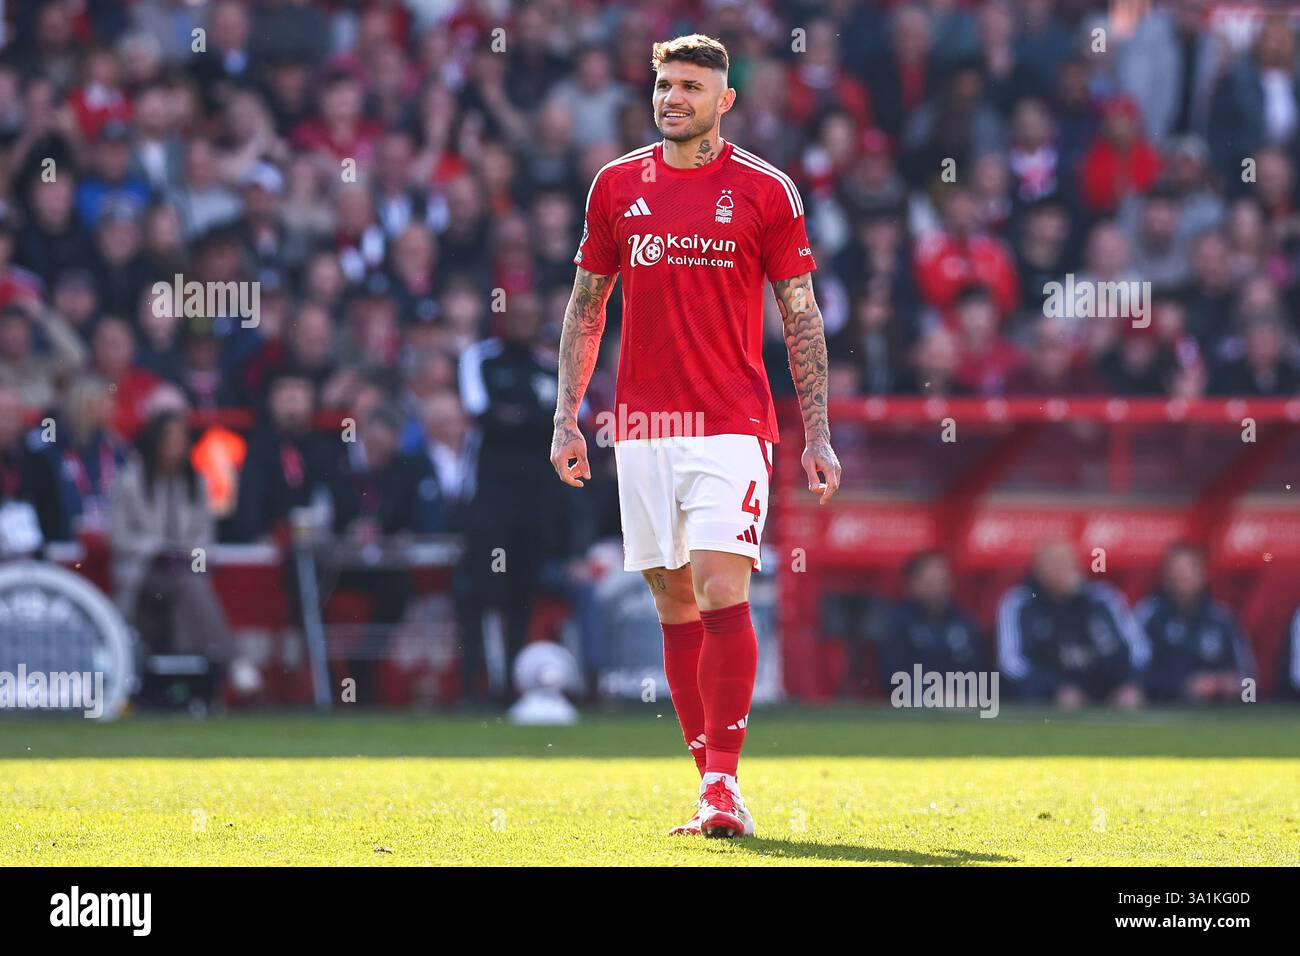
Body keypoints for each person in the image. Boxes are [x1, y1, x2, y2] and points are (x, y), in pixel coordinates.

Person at [549, 35, 840, 839]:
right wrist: (566, 415)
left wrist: (816, 433)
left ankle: (724, 782)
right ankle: (706, 781)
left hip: (732, 423)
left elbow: (802, 316)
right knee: (673, 598)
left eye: (689, 86)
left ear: (724, 101)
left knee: (720, 587)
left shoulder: (764, 191)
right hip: (642, 425)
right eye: (664, 84)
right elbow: (585, 306)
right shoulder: (615, 187)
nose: (671, 97)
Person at [108, 410, 237, 706]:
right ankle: (231, 659)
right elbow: (118, 539)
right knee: (190, 585)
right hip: (142, 576)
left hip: (184, 574)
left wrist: (189, 555)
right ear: (155, 444)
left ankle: (188, 682)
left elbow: (206, 541)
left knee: (188, 583)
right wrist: (156, 548)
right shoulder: (130, 482)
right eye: (171, 441)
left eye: (182, 441)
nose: (177, 448)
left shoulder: (197, 484)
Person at [997, 540, 1148, 708]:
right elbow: (1011, 662)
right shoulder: (1020, 602)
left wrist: (1131, 684)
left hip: (1105, 692)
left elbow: (1137, 651)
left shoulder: (1102, 599)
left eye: (1067, 563)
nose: (1063, 570)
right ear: (1038, 569)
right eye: (1054, 564)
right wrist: (1054, 689)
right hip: (1047, 697)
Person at [1135, 544, 1255, 703]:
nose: (1182, 578)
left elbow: (1249, 681)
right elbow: (1134, 673)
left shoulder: (1222, 619)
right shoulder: (1149, 616)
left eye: (1188, 572)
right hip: (1162, 708)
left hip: (1217, 712)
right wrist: (1183, 685)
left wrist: (1226, 684)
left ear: (1203, 575)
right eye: (1176, 572)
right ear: (1165, 576)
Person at [879, 551, 984, 685]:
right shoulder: (895, 624)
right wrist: (935, 696)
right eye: (929, 583)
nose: (937, 590)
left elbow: (979, 673)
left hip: (962, 700)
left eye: (943, 582)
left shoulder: (966, 624)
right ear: (911, 585)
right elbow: (892, 677)